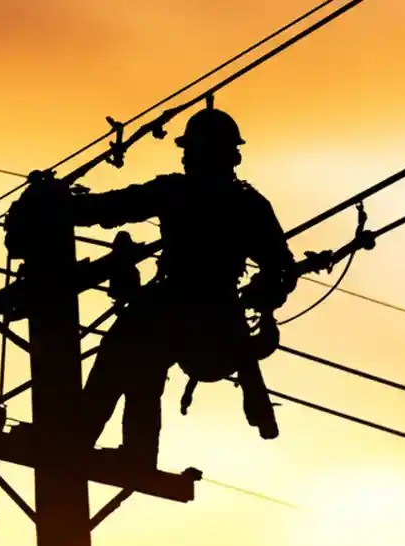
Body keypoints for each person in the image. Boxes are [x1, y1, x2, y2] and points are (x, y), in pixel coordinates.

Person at [65, 106, 296, 468]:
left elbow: (116, 207)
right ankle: (128, 451)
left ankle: (82, 439)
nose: (188, 159)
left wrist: (59, 208)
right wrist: (262, 296)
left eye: (192, 152)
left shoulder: (186, 193)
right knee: (141, 361)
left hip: (187, 306)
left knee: (123, 349)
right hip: (214, 315)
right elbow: (282, 270)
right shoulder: (245, 204)